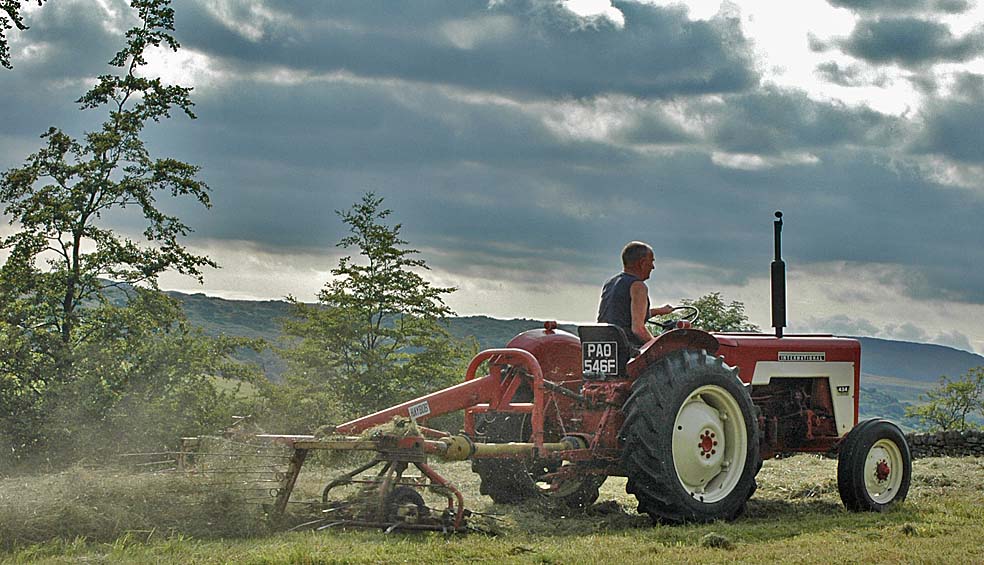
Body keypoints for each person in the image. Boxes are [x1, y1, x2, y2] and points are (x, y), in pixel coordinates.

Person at [597, 241, 673, 347]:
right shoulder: (638, 286)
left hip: (605, 344)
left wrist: (660, 311)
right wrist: (658, 347)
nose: (653, 267)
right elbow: (638, 329)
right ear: (642, 263)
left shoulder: (610, 283)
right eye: (651, 261)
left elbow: (623, 314)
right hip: (626, 348)